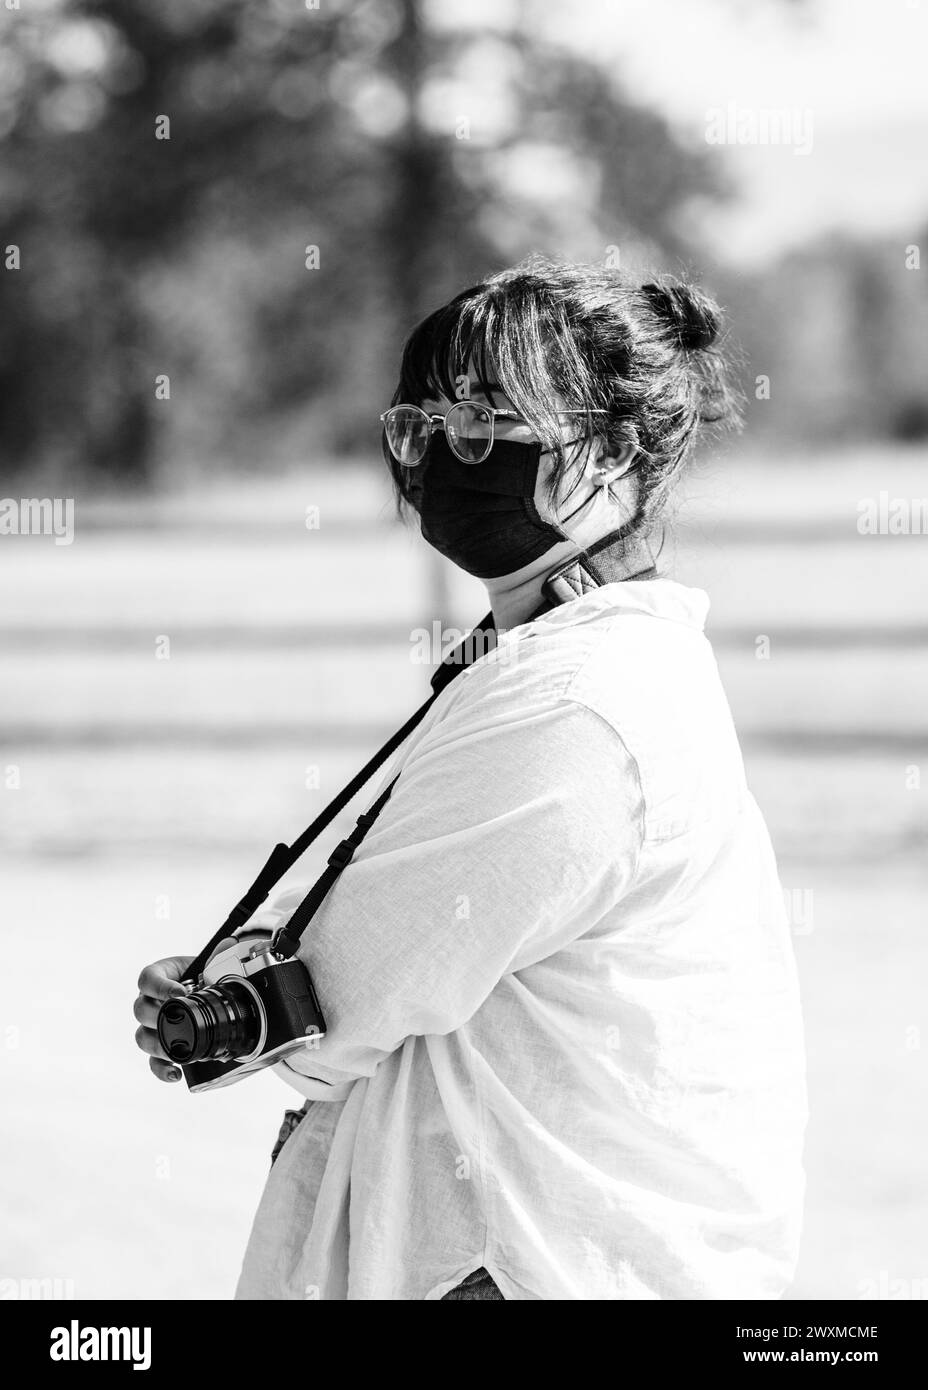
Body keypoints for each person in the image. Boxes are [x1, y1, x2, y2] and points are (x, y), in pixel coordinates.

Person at [133, 258, 807, 1301]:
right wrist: (249, 981)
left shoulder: (576, 701)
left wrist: (246, 1000)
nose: (452, 453)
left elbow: (346, 1004)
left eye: (490, 422)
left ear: (616, 450)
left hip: (525, 1263)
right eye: (423, 422)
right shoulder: (566, 661)